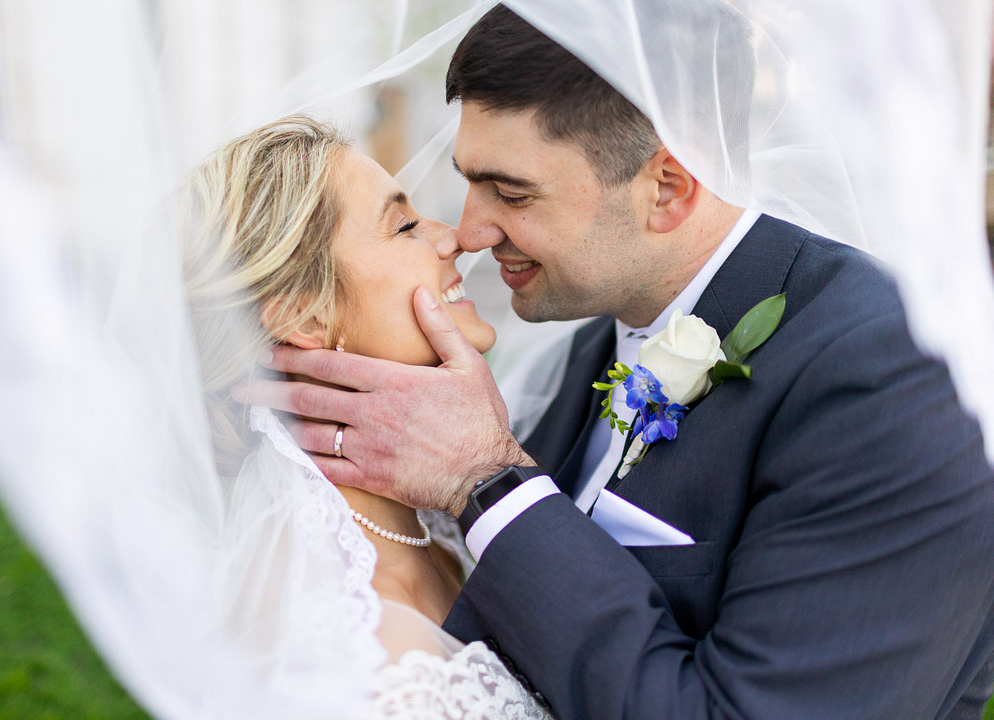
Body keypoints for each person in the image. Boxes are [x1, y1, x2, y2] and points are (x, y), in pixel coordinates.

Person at [249, 6, 994, 719]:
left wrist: (488, 481)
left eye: (511, 192)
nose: (468, 231)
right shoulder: (594, 348)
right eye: (469, 180)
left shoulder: (892, 380)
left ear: (667, 189)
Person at [182, 115, 550, 718]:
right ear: (306, 321)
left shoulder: (434, 527)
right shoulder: (348, 646)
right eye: (404, 224)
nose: (453, 237)